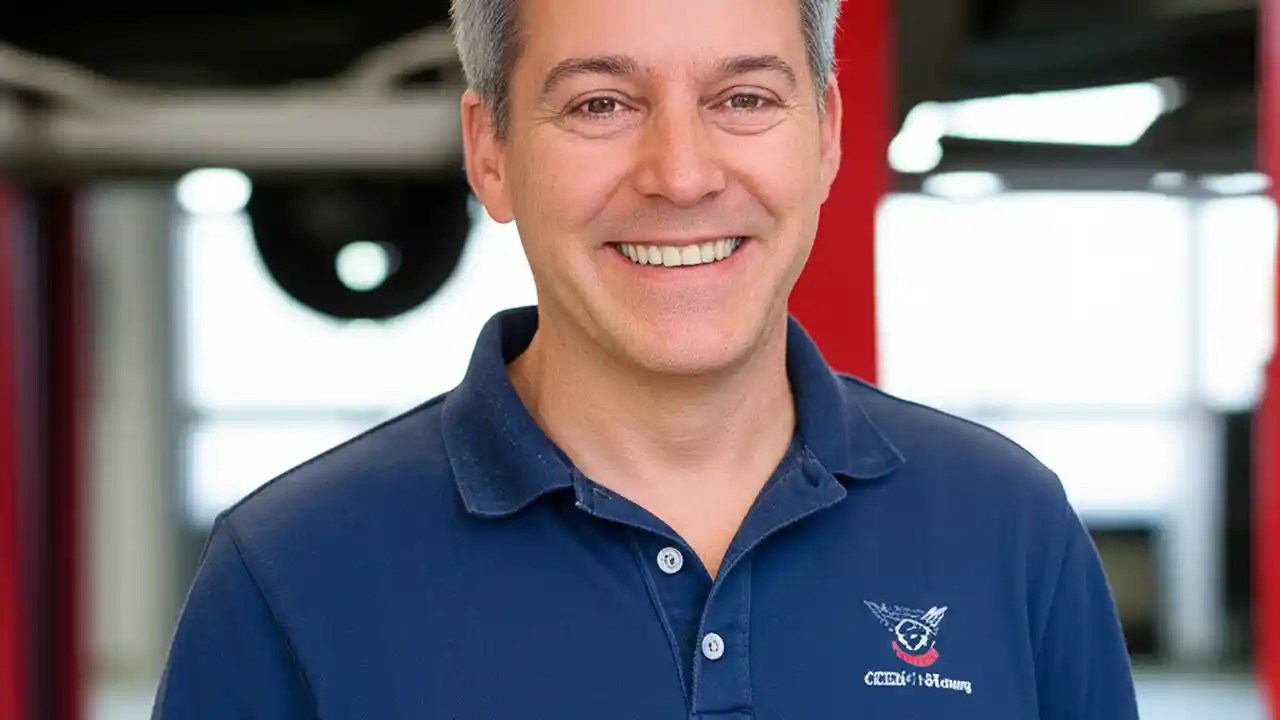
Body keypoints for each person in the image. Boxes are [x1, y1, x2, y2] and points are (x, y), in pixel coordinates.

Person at [151, 0, 1142, 717]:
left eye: (743, 98)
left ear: (827, 134)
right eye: (599, 106)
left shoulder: (1006, 529)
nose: (680, 174)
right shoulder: (292, 572)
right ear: (488, 150)